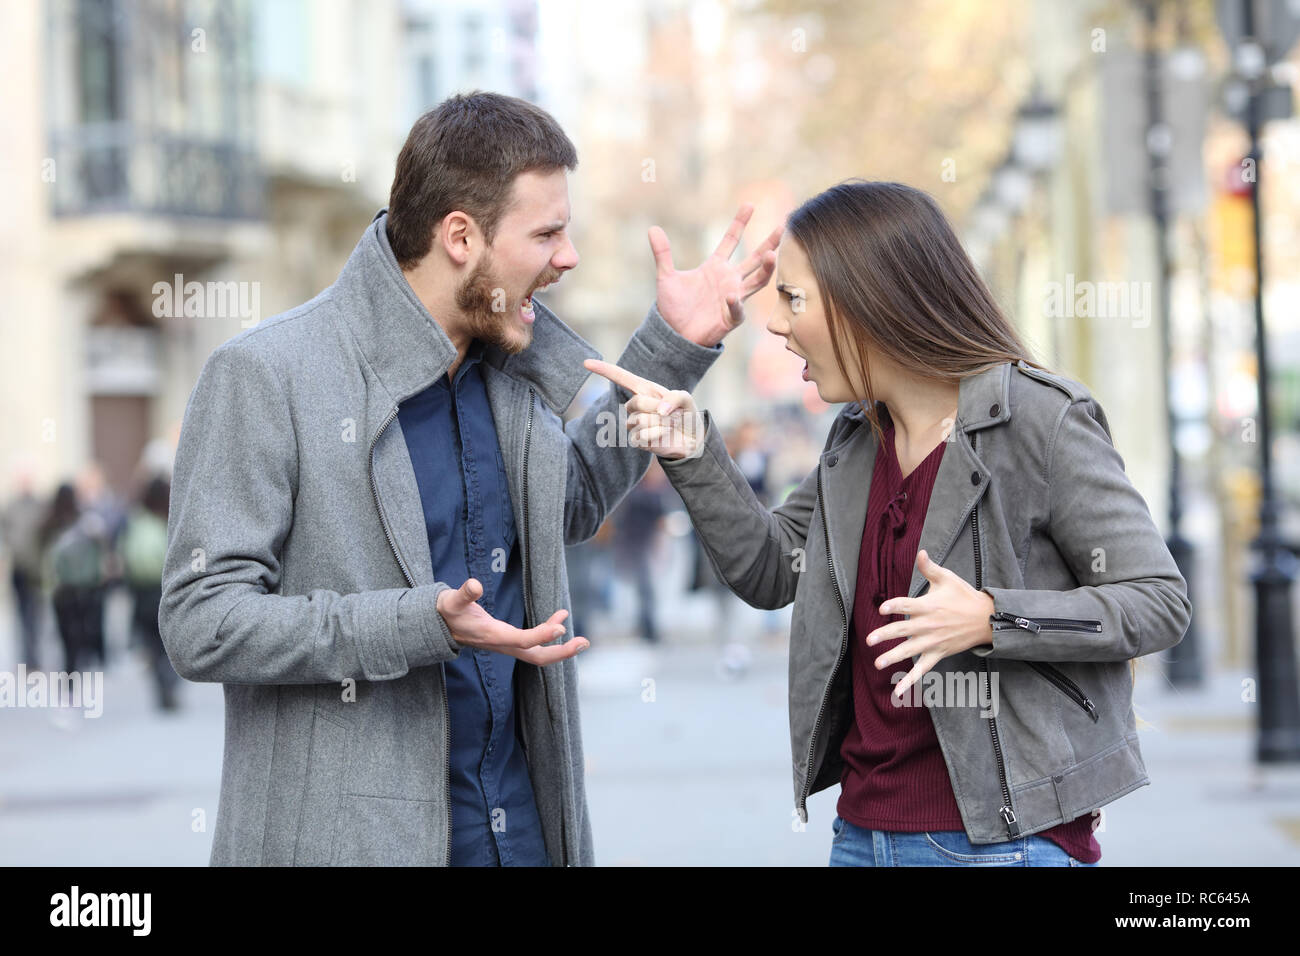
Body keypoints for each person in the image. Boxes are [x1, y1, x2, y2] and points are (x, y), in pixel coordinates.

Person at [159, 91, 779, 867]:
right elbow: (199, 621)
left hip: (518, 836)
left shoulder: (503, 371)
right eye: (547, 232)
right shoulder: (265, 374)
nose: (568, 256)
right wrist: (421, 623)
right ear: (460, 235)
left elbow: (574, 502)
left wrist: (674, 345)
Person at [585, 179, 1192, 867]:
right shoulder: (856, 438)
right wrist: (691, 446)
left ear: (868, 298)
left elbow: (1157, 600)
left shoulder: (1038, 420)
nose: (776, 324)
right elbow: (772, 567)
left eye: (792, 298)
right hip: (861, 836)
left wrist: (994, 618)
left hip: (1006, 845)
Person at [122, 477, 179, 710]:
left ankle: (161, 685)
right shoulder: (167, 520)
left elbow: (124, 552)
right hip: (163, 590)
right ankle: (170, 684)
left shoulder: (136, 521)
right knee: (169, 643)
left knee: (152, 644)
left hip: (140, 593)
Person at [1, 469, 47, 669]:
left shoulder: (41, 506)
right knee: (21, 616)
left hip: (36, 571)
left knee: (34, 616)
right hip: (18, 570)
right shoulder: (11, 508)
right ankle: (26, 658)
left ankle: (33, 656)